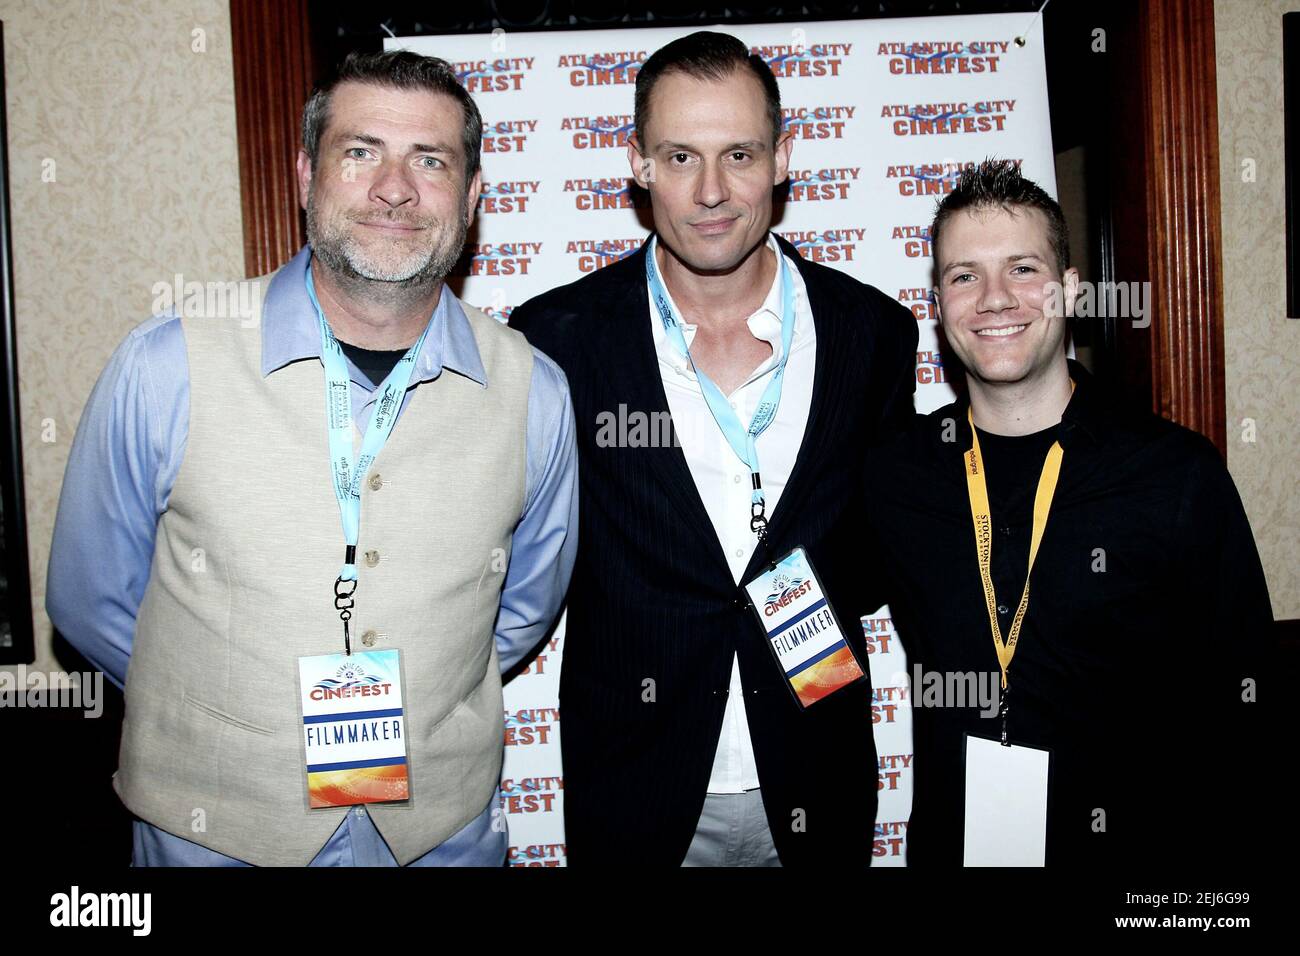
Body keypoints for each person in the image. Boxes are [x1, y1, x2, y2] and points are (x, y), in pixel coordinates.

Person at [46, 50, 578, 867]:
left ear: (472, 197)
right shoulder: (165, 367)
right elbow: (90, 600)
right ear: (305, 175)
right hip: (210, 839)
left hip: (441, 840)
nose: (394, 189)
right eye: (361, 152)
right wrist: (223, 709)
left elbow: (520, 610)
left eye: (430, 161)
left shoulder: (533, 392)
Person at [509, 31, 918, 866]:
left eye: (738, 153)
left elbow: (880, 553)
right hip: (636, 785)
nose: (710, 191)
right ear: (637, 164)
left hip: (815, 772)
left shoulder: (872, 332)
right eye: (679, 156)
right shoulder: (556, 339)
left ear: (782, 157)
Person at [866, 158, 1271, 866]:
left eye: (1023, 269)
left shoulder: (1174, 474)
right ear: (938, 301)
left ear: (1071, 291)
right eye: (964, 275)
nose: (994, 298)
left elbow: (1243, 715)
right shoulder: (898, 476)